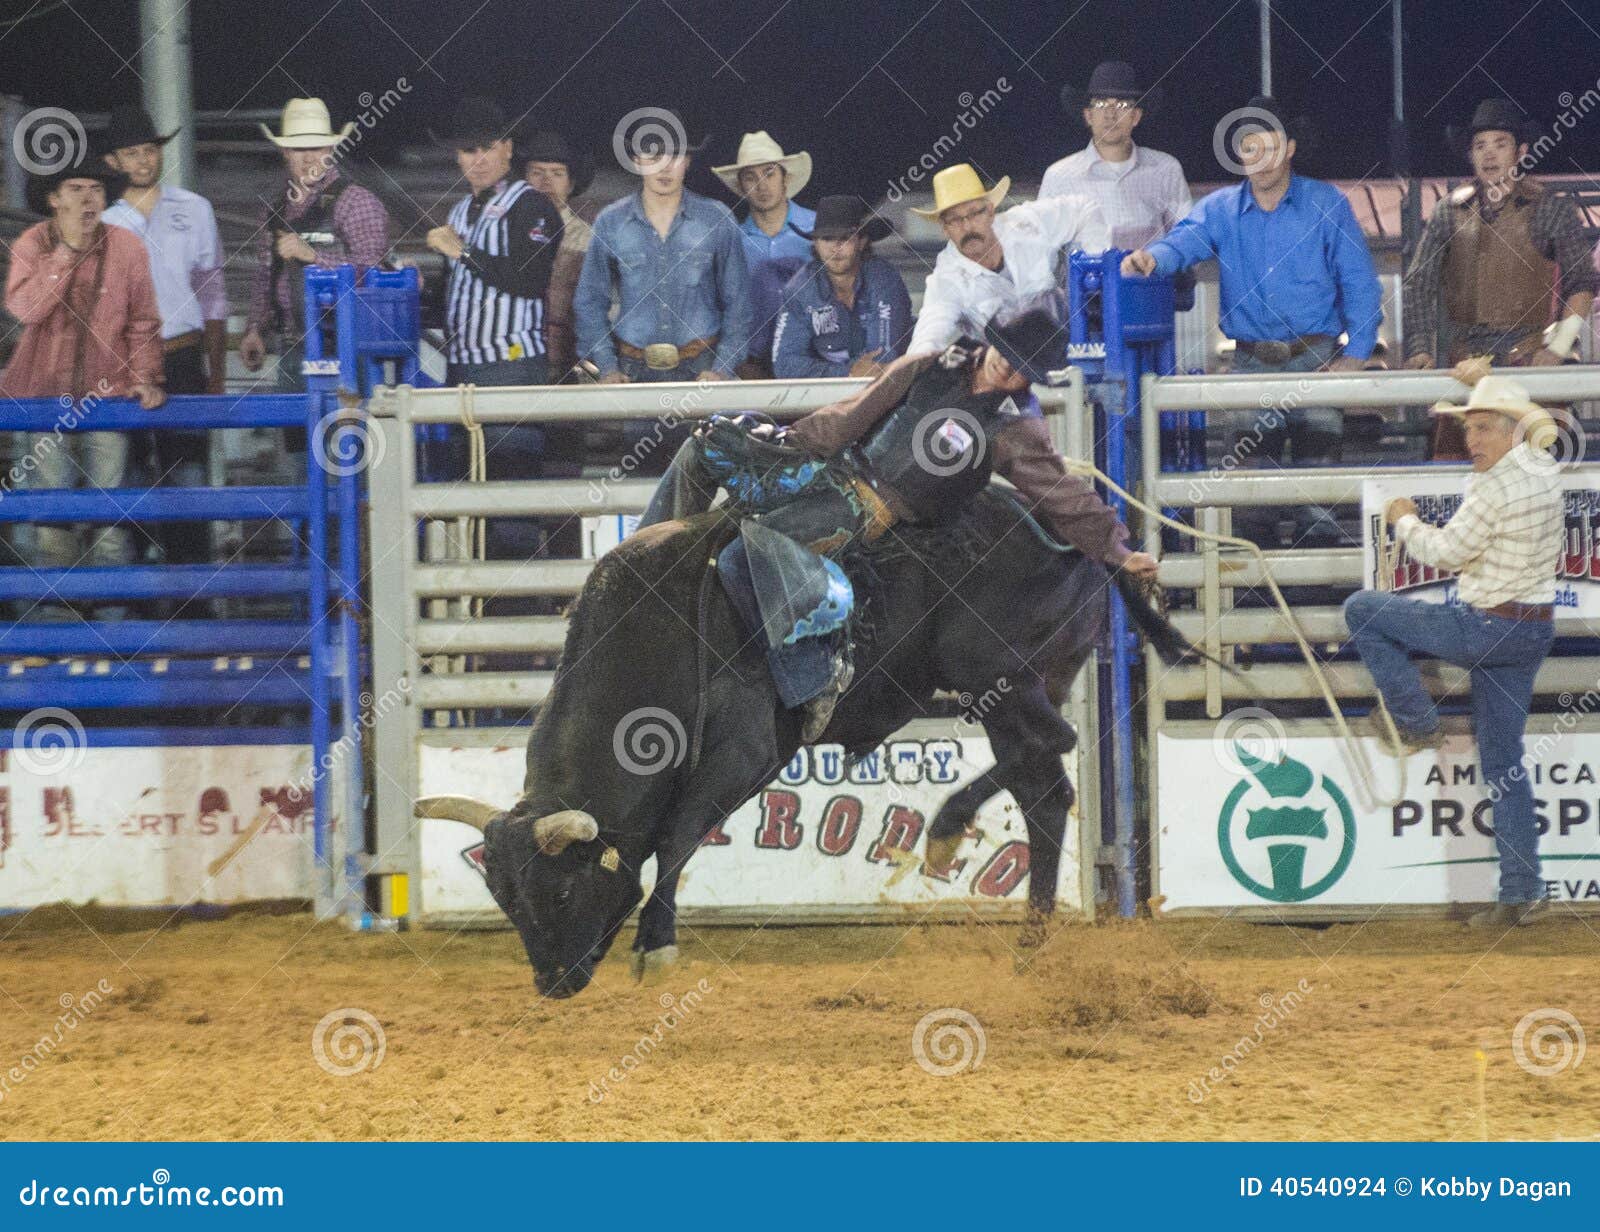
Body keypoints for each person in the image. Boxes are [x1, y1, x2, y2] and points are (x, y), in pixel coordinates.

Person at [640, 292, 1158, 738]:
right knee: (705, 446)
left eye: (1025, 364)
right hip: (828, 471)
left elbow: (1061, 494)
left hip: (865, 511)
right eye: (1010, 351)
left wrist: (1116, 549)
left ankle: (808, 683)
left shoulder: (1012, 429)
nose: (1010, 365)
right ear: (992, 338)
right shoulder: (929, 366)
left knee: (747, 550)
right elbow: (855, 413)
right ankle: (642, 573)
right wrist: (787, 441)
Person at [1343, 374, 1564, 928]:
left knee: (1362, 609)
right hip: (1530, 631)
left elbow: (1447, 552)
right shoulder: (1544, 468)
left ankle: (1416, 722)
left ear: (1513, 433)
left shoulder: (1493, 486)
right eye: (1469, 428)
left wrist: (1403, 519)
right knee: (1505, 765)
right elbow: (1536, 430)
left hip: (1487, 628)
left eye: (1484, 427)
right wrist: (1487, 387)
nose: (1473, 440)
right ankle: (1522, 892)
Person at [1121, 96, 1383, 547]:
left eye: (1270, 145)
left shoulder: (1326, 203)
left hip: (1316, 358)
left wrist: (1357, 354)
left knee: (1317, 494)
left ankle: (1311, 598)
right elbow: (1185, 241)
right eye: (1250, 147)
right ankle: (1256, 598)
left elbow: (1359, 279)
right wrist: (1152, 259)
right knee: (1250, 497)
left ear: (1291, 148)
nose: (1260, 158)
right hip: (1251, 363)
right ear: (1240, 154)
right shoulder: (1219, 209)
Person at [2, 152, 163, 616]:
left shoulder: (127, 247)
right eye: (75, 189)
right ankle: (60, 643)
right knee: (52, 524)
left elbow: (143, 321)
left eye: (95, 188)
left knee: (110, 522)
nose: (87, 197)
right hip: (42, 401)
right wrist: (67, 252)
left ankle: (111, 643)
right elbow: (27, 310)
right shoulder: (32, 243)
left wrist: (147, 376)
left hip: (106, 399)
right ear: (54, 199)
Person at [1402, 98, 1596, 459]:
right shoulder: (1450, 211)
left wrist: (1557, 348)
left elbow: (1582, 282)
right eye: (1480, 146)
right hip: (1466, 361)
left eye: (1500, 144)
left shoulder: (1548, 207)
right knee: (1451, 470)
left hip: (1529, 357)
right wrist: (1419, 348)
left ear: (1521, 151)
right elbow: (1419, 281)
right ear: (1471, 155)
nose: (1489, 155)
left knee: (1543, 465)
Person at [575, 106, 750, 470]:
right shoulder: (611, 222)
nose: (664, 167)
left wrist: (722, 369)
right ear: (637, 160)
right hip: (635, 371)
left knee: (705, 481)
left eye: (674, 156)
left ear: (687, 161)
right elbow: (589, 301)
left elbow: (739, 303)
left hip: (700, 367)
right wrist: (607, 368)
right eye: (653, 155)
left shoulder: (717, 219)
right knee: (645, 485)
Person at [100, 103, 227, 569]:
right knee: (127, 480)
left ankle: (188, 599)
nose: (142, 161)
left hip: (182, 356)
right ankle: (139, 598)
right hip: (119, 364)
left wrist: (216, 376)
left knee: (187, 480)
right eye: (131, 153)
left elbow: (212, 296)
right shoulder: (103, 219)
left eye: (148, 150)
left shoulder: (195, 209)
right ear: (114, 161)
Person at [240, 98, 390, 394]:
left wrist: (312, 256)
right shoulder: (274, 210)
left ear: (330, 151)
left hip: (347, 347)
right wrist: (255, 328)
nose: (308, 158)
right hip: (293, 347)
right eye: (299, 149)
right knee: (300, 436)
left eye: (316, 148)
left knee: (345, 435)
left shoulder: (355, 202)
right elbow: (266, 275)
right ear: (285, 152)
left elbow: (374, 275)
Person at [907, 163, 1107, 355]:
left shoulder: (1026, 224)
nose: (967, 227)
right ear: (944, 228)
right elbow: (928, 338)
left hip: (1076, 346)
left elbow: (1085, 209)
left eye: (975, 213)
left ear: (991, 212)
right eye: (955, 219)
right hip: (1011, 374)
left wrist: (1089, 272)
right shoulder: (945, 281)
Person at [1040, 60, 1191, 250]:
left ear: (1136, 116)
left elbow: (1187, 241)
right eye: (1101, 103)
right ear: (1088, 116)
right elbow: (1042, 250)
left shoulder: (1165, 169)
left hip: (1152, 279)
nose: (1110, 114)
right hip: (1085, 279)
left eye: (1121, 105)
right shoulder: (1060, 176)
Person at [771, 195, 912, 379]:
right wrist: (848, 372)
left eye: (845, 238)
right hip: (827, 394)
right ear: (816, 243)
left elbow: (882, 359)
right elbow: (785, 365)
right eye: (827, 238)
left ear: (861, 242)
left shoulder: (884, 279)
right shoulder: (798, 290)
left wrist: (838, 374)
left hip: (890, 389)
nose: (835, 248)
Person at [713, 131, 814, 379]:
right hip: (751, 366)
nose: (762, 185)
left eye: (769, 173)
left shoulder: (820, 230)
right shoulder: (731, 243)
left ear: (784, 179)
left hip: (814, 358)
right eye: (751, 177)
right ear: (741, 187)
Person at [521, 127, 596, 381]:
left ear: (571, 183)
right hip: (515, 357)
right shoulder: (507, 231)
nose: (546, 182)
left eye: (557, 173)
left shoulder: (588, 238)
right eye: (537, 173)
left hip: (570, 359)